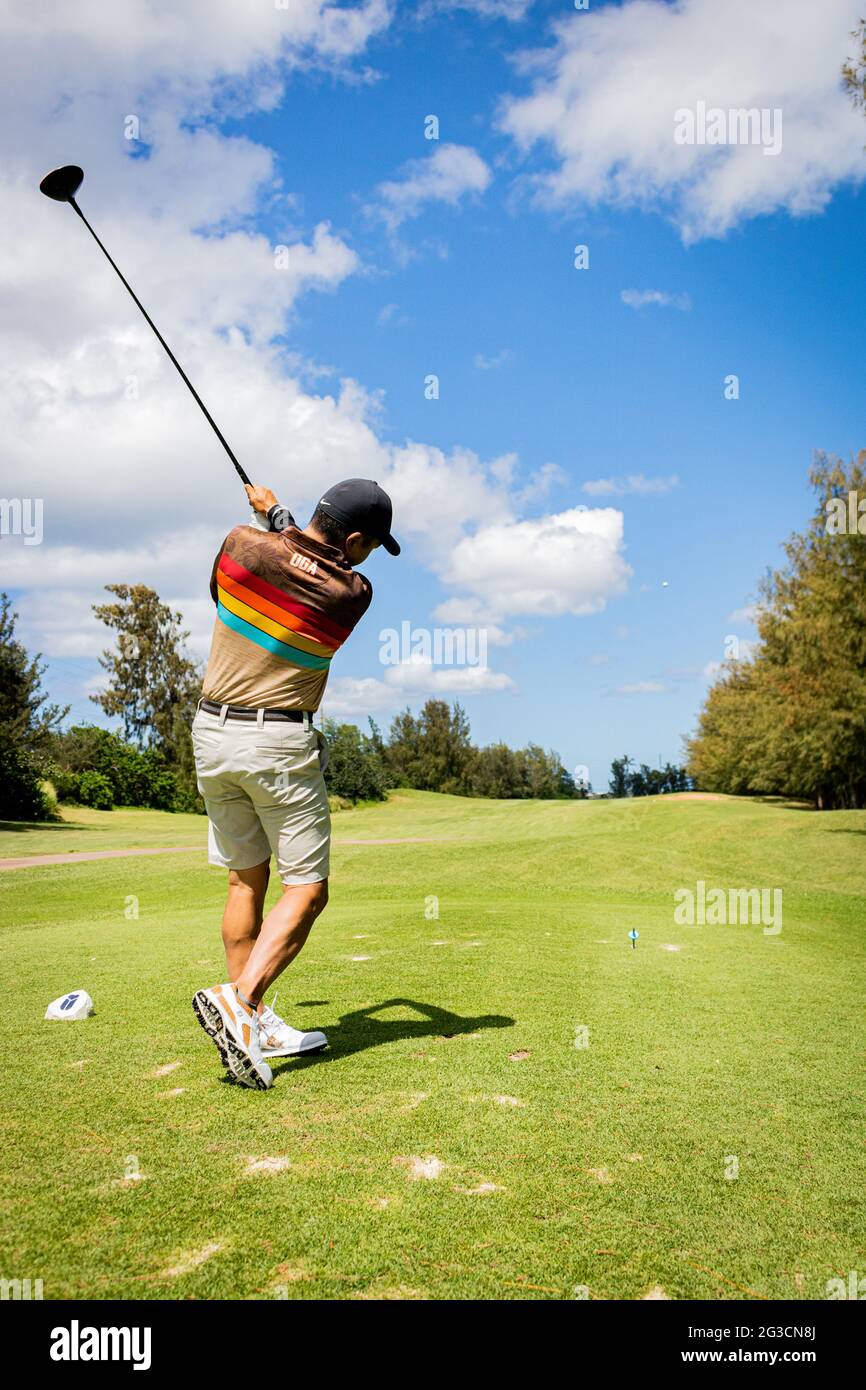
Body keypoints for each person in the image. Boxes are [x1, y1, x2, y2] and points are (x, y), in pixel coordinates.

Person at [191, 478, 400, 1089]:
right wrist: (278, 517)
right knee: (307, 891)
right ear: (355, 540)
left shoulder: (239, 546)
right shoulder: (351, 593)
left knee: (244, 879)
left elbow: (278, 559)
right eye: (369, 545)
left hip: (210, 734)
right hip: (277, 744)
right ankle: (242, 1004)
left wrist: (273, 518)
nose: (365, 559)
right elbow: (320, 569)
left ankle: (254, 1027)